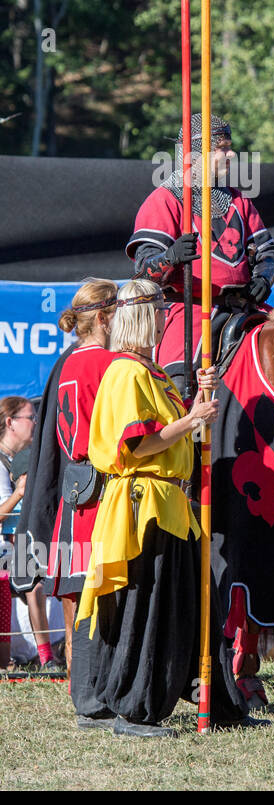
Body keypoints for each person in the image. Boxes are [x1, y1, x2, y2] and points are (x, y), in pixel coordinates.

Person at [76, 279, 245, 735]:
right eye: (161, 312)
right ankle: (135, 709)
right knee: (146, 608)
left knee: (183, 603)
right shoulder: (128, 372)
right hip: (145, 505)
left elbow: (174, 435)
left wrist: (198, 400)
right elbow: (140, 443)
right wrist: (192, 419)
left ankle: (210, 699)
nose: (166, 320)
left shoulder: (150, 372)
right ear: (143, 317)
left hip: (167, 503)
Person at [20, 279, 118, 711]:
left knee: (76, 592)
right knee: (91, 594)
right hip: (96, 493)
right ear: (102, 316)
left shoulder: (66, 361)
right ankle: (91, 692)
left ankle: (83, 687)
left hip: (68, 494)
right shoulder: (101, 363)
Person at [126, 114, 274, 385]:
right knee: (179, 383)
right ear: (197, 153)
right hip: (191, 310)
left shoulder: (238, 200)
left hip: (244, 308)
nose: (231, 153)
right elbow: (144, 272)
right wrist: (170, 257)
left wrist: (263, 279)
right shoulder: (165, 200)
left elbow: (266, 252)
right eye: (222, 148)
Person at [0, 396, 61, 671]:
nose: (36, 423)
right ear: (10, 422)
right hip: (8, 546)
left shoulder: (30, 459)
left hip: (27, 543)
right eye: (30, 418)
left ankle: (56, 651)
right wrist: (21, 493)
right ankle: (45, 655)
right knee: (34, 584)